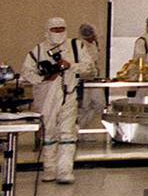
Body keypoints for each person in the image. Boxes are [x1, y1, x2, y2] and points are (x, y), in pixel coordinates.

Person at [20, 18, 96, 183]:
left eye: (61, 29)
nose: (58, 32)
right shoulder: (38, 50)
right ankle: (49, 168)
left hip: (69, 94)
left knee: (68, 133)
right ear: (47, 31)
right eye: (54, 29)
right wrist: (44, 77)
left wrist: (71, 66)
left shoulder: (76, 46)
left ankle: (65, 170)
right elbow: (27, 71)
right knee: (49, 133)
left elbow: (90, 69)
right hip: (46, 97)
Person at [75, 23, 106, 129]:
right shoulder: (79, 46)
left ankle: (82, 128)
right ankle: (79, 131)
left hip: (95, 79)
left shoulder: (95, 44)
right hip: (83, 80)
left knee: (100, 105)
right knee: (84, 107)